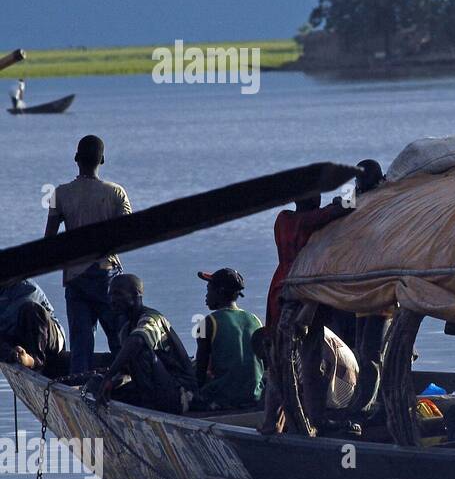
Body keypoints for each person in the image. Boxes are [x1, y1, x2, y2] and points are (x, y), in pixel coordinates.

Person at [44, 135, 132, 373]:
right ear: (102, 160)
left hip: (76, 278)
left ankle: (79, 388)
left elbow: (49, 241)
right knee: (119, 338)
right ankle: (125, 381)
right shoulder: (116, 193)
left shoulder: (59, 194)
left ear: (75, 159)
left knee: (81, 344)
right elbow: (128, 235)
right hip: (107, 276)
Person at [265, 159, 383, 331]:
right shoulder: (308, 221)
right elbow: (340, 210)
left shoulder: (283, 218)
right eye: (315, 193)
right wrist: (356, 188)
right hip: (302, 288)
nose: (319, 196)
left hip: (281, 284)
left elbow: (329, 211)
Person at [94, 274, 196, 414]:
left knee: (141, 350)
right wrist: (110, 382)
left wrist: (109, 375)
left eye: (118, 294)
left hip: (181, 393)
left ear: (136, 295)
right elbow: (126, 369)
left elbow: (138, 341)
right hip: (159, 388)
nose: (112, 300)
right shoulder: (126, 329)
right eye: (110, 295)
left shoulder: (152, 318)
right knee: (97, 385)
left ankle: (149, 408)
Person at [193, 268, 264, 411]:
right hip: (255, 396)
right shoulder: (256, 320)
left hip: (224, 399)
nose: (206, 296)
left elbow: (199, 373)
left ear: (219, 292)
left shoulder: (207, 323)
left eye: (209, 290)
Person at [0, 278, 70, 378]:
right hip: (16, 339)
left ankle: (34, 361)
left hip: (45, 339)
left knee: (31, 309)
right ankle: (14, 355)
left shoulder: (24, 287)